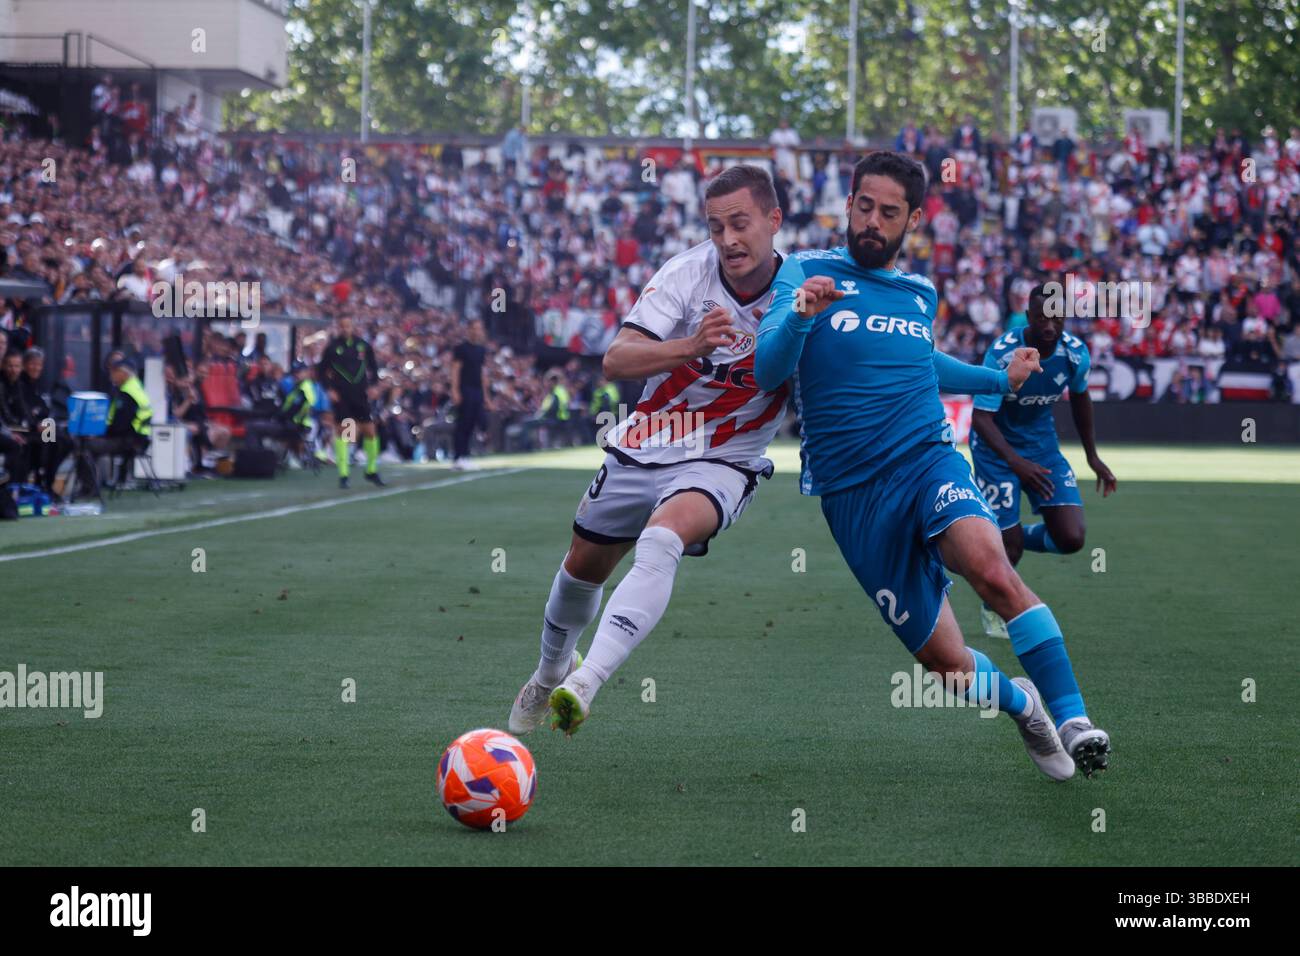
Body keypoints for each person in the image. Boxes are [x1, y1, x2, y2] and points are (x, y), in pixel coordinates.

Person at [754, 150, 1110, 780]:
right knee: (946, 666)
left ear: (913, 219)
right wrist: (803, 318)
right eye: (864, 206)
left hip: (928, 459)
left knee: (992, 569)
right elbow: (768, 369)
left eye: (888, 212)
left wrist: (997, 379)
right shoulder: (803, 272)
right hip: (854, 496)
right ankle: (1025, 706)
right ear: (849, 202)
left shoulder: (921, 292)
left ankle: (1075, 717)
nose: (872, 221)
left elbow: (923, 363)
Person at [506, 164, 791, 737]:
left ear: (773, 220)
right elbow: (617, 358)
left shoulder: (801, 288)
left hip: (725, 459)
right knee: (581, 568)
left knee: (664, 538)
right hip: (648, 441)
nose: (728, 240)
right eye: (716, 227)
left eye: (740, 223)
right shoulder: (687, 273)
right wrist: (692, 344)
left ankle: (582, 686)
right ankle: (550, 672)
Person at [969, 284, 1118, 639]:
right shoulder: (1005, 352)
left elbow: (1081, 400)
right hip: (996, 451)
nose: (1049, 324)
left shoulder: (1075, 354)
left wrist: (1092, 457)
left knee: (1071, 538)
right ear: (1029, 316)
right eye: (1041, 316)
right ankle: (993, 609)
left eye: (1056, 315)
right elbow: (981, 419)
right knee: (1011, 548)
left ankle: (1015, 536)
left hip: (1042, 447)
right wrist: (1016, 463)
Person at [317, 315, 384, 489]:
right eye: (343, 326)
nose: (345, 329)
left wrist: (375, 385)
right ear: (339, 327)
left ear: (353, 327)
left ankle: (371, 470)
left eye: (348, 326)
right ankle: (344, 474)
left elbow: (373, 366)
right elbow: (321, 371)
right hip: (342, 396)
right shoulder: (332, 348)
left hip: (360, 395)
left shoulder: (362, 345)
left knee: (370, 431)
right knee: (345, 433)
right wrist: (329, 389)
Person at [449, 320, 490, 470]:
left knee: (473, 423)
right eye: (474, 328)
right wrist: (455, 390)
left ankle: (465, 455)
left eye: (479, 328)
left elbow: (483, 374)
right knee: (463, 424)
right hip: (465, 389)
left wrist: (486, 396)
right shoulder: (461, 348)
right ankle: (458, 457)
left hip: (477, 390)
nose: (476, 331)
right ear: (469, 330)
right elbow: (455, 369)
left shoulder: (481, 350)